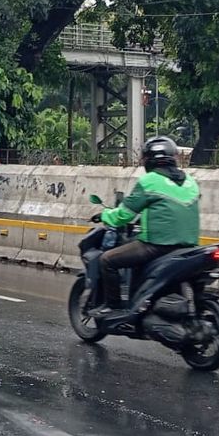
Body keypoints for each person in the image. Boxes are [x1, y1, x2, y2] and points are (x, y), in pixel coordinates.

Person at [88, 136, 200, 317]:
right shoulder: (190, 182)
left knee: (107, 260)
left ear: (149, 160)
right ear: (173, 157)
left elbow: (124, 215)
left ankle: (113, 306)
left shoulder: (149, 181)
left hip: (157, 245)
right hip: (188, 247)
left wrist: (105, 215)